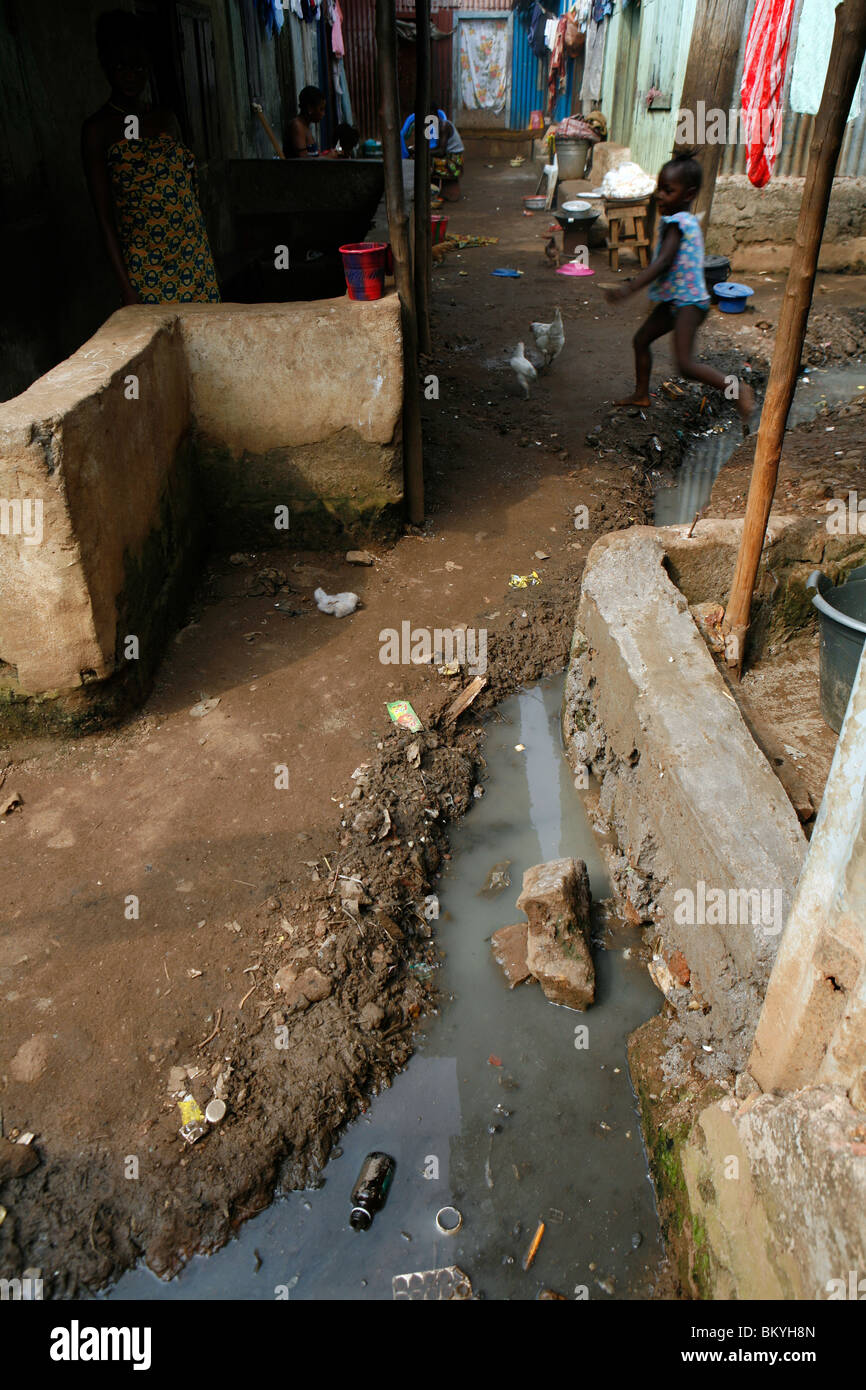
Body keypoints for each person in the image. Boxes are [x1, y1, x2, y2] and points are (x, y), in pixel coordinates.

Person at [603, 153, 755, 430]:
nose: (660, 196)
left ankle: (737, 389)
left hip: (689, 304)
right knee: (641, 340)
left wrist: (630, 288)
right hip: (676, 301)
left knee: (685, 365)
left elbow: (662, 264)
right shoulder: (679, 220)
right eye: (659, 189)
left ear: (689, 194)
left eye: (668, 191)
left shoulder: (678, 224)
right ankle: (641, 395)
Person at [82, 9, 219, 306]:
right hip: (147, 270)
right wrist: (126, 287)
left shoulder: (166, 119)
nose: (132, 77)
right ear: (105, 64)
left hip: (193, 258)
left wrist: (204, 258)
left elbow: (189, 195)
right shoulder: (99, 130)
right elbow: (104, 219)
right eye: (122, 67)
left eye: (139, 67)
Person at [288, 87, 335, 158]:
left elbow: (313, 157)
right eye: (321, 109)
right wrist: (328, 157)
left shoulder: (305, 126)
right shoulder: (297, 126)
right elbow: (304, 162)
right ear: (310, 108)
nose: (323, 114)